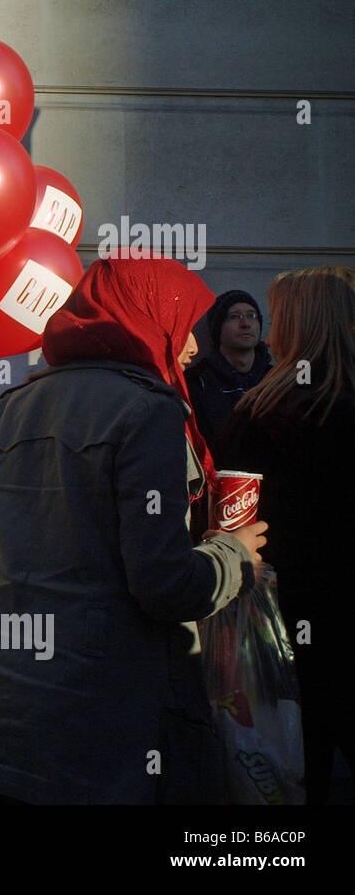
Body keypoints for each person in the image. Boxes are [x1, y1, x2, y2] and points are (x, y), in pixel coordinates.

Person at [0, 253, 267, 805]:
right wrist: (235, 554)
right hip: (99, 723)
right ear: (145, 315)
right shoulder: (149, 411)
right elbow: (164, 585)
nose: (193, 347)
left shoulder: (11, 405)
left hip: (3, 704)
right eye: (184, 325)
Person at [217, 265, 355, 805]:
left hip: (288, 614)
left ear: (300, 326)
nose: (269, 333)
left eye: (277, 318)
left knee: (298, 762)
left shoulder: (264, 412)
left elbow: (235, 522)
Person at [186, 289, 273, 457]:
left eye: (252, 315)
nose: (246, 323)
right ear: (218, 327)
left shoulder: (276, 379)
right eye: (234, 316)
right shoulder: (196, 383)